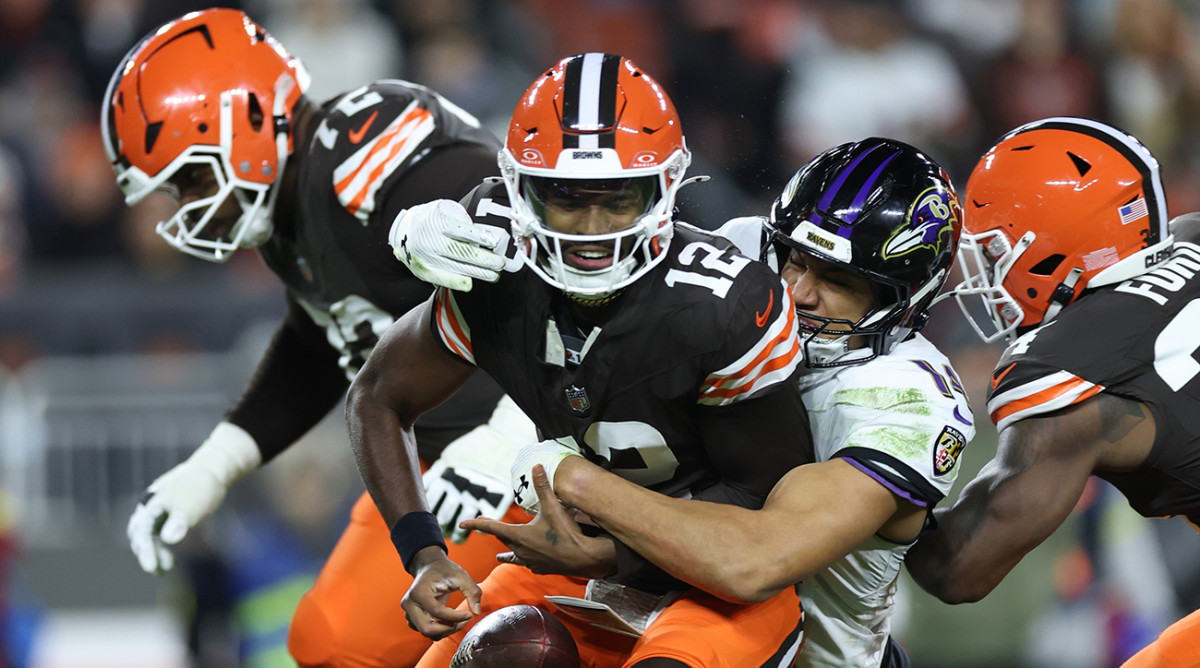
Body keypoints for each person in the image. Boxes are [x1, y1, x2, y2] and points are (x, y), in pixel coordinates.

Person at [100, 9, 537, 666]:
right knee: (329, 642)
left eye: (190, 176)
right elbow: (321, 347)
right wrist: (210, 468)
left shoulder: (361, 148)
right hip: (438, 467)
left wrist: (511, 438)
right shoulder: (292, 210)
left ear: (247, 122)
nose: (186, 205)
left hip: (537, 447)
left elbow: (538, 253)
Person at [349, 52, 812, 667]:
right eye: (566, 198)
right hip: (576, 549)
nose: (592, 232)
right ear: (520, 190)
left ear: (666, 187)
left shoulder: (724, 305)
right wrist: (424, 552)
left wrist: (607, 554)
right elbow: (378, 397)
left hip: (718, 578)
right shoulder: (492, 260)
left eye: (618, 200)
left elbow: (765, 518)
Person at [454, 138, 974, 667]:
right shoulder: (742, 258)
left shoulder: (906, 405)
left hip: (795, 645)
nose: (797, 291)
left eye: (838, 281)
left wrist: (579, 484)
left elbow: (755, 561)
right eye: (796, 261)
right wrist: (475, 225)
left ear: (902, 301)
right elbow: (594, 264)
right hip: (642, 607)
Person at [903, 117, 1200, 668]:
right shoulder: (1192, 233)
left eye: (996, 254)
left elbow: (958, 568)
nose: (988, 276)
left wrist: (868, 478)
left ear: (1055, 246)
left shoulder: (1070, 365)